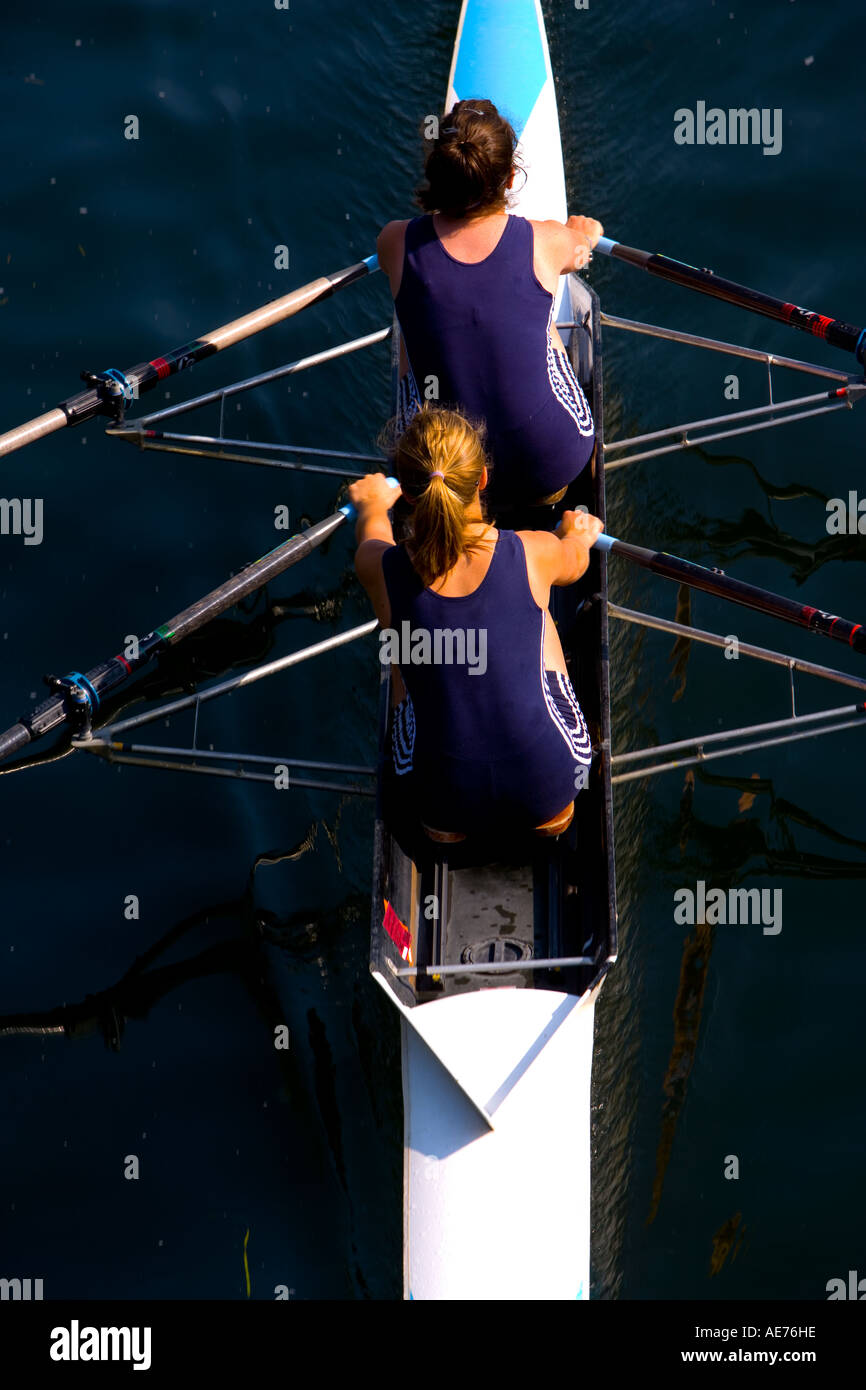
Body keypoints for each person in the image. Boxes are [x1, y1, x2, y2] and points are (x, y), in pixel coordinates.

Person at [350, 406, 603, 842]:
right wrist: (577, 532)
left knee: (397, 641)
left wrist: (372, 505)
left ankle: (446, 833)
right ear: (483, 478)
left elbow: (373, 533)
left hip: (441, 802)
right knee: (539, 614)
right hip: (549, 786)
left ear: (409, 496)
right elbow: (577, 562)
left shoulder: (379, 566)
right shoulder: (533, 551)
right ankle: (556, 818)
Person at [376, 98, 603, 510]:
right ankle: (544, 497)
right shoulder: (546, 241)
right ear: (511, 177)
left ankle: (449, 501)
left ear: (436, 174)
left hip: (445, 470)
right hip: (547, 465)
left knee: (409, 320)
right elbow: (580, 252)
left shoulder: (394, 241)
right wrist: (582, 232)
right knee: (544, 321)